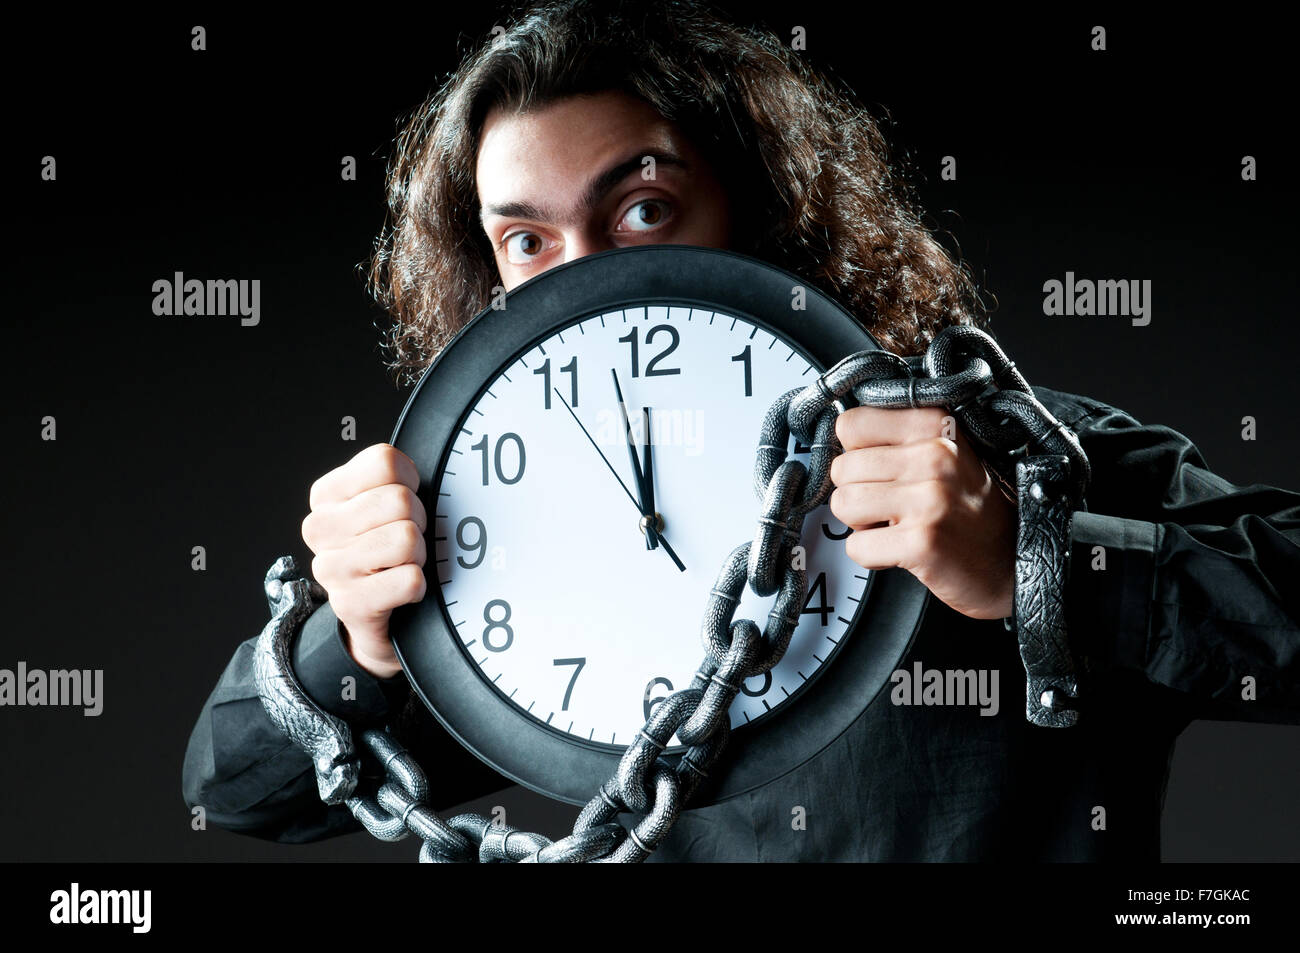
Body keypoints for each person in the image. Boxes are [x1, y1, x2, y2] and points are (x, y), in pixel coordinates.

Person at [182, 0, 1300, 861]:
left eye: (642, 208)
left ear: (763, 208)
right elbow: (232, 790)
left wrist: (1040, 562)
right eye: (526, 240)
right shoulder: (489, 546)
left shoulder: (1008, 460)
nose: (586, 279)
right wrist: (357, 637)